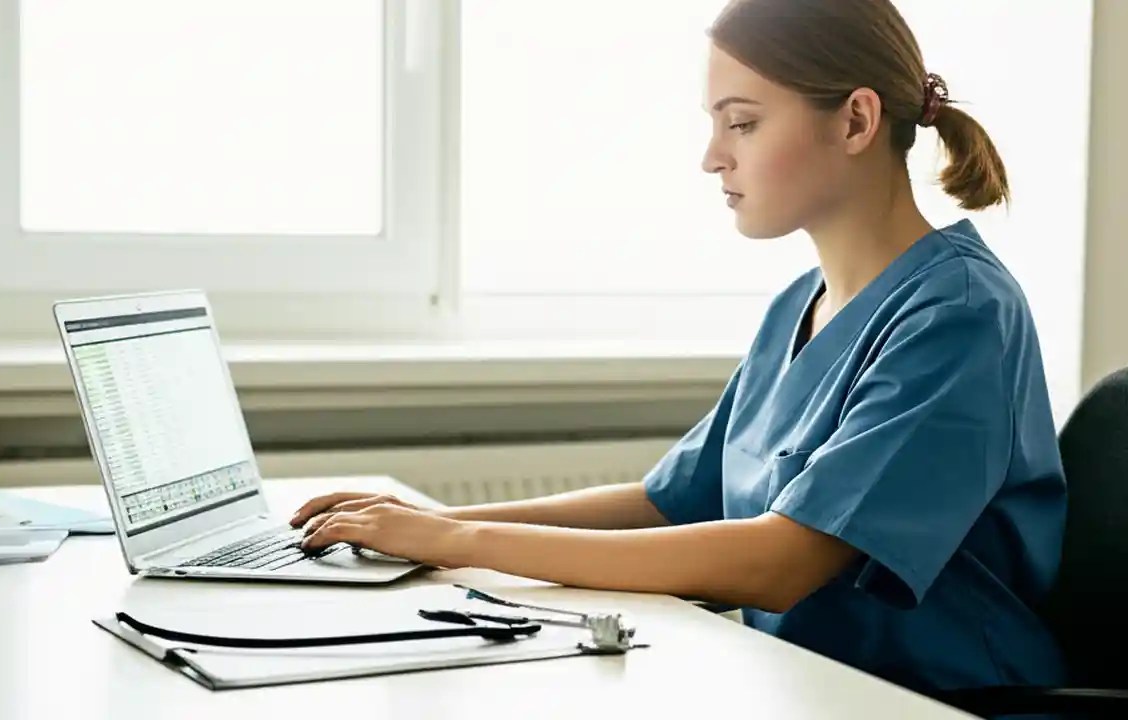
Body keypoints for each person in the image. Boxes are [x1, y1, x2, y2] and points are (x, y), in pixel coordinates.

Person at [292, 0, 1067, 698]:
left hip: (944, 704)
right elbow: (669, 503)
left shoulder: (960, 315)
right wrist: (427, 522)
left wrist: (459, 542)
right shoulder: (800, 306)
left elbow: (781, 563)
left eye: (742, 123)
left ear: (856, 122)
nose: (712, 157)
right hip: (813, 691)